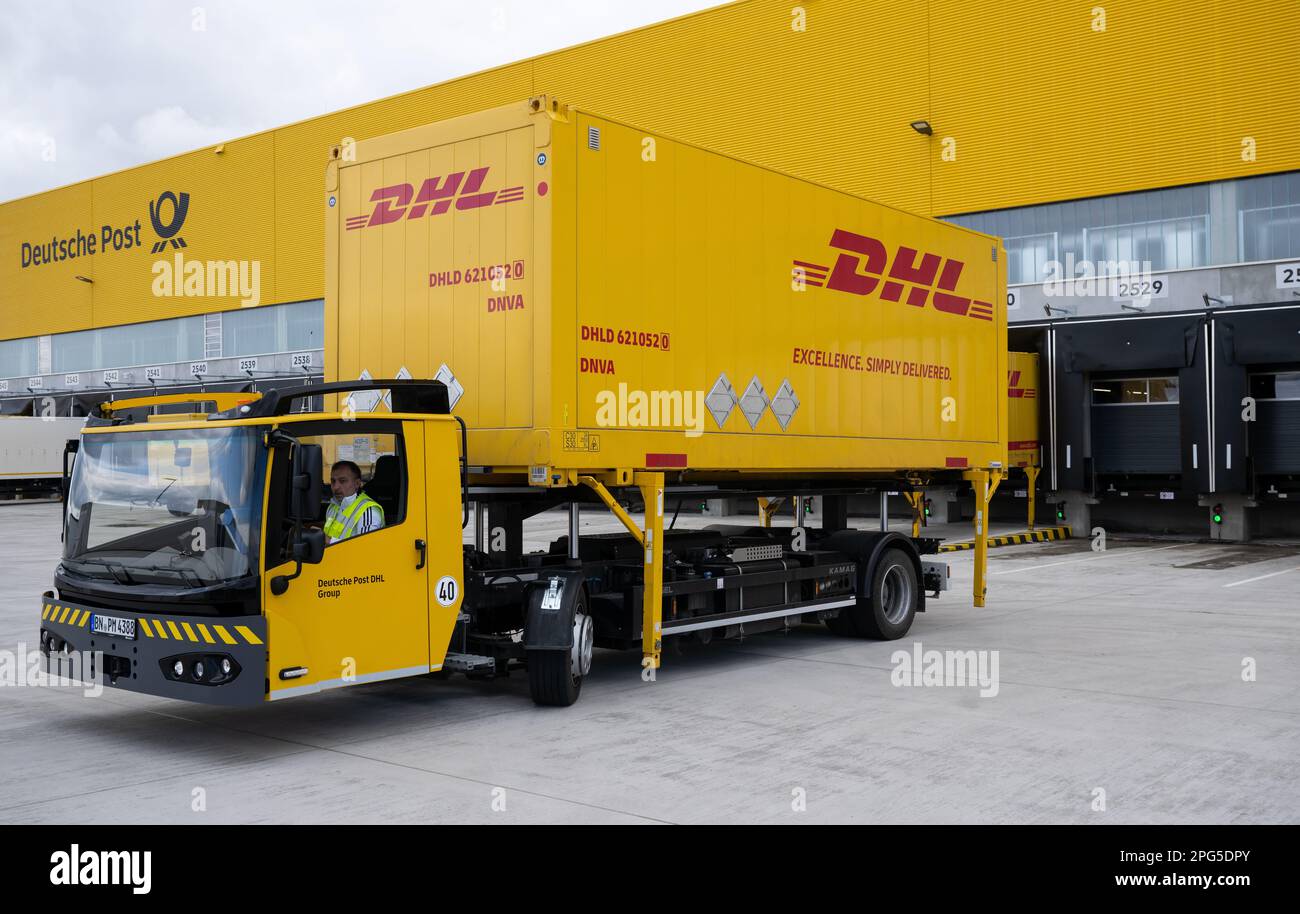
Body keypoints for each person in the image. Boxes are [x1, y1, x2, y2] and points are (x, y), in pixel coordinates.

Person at [322, 460, 384, 544]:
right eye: (333, 481)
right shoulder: (333, 507)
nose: (336, 487)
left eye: (342, 481)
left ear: (357, 484)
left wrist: (328, 540)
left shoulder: (368, 511)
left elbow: (366, 547)